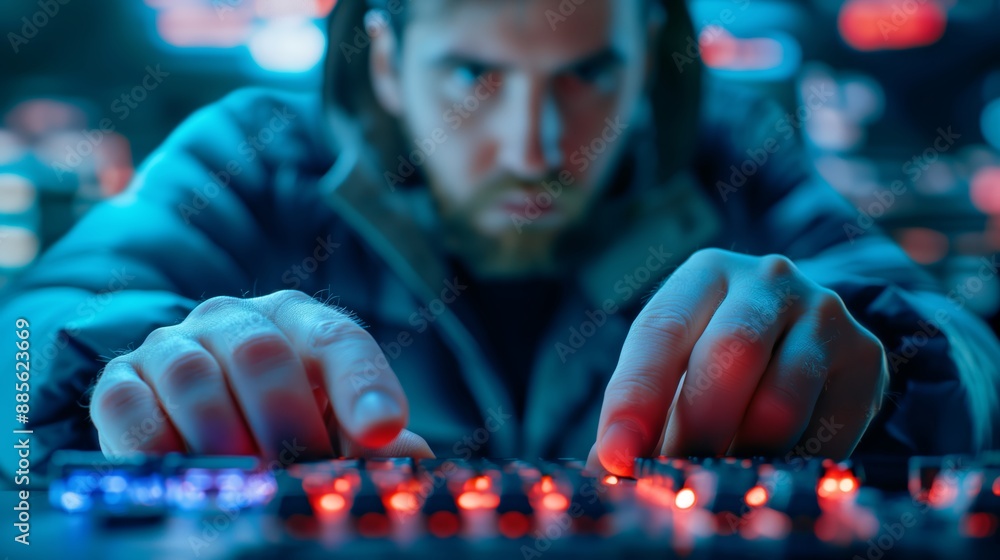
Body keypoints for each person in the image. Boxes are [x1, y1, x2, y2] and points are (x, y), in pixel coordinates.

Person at [2, 0, 999, 480]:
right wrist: (133, 366)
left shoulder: (734, 151)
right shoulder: (252, 154)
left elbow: (963, 343)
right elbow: (21, 340)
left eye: (586, 76)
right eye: (475, 77)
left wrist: (879, 353)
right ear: (386, 65)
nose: (536, 147)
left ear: (646, 69)